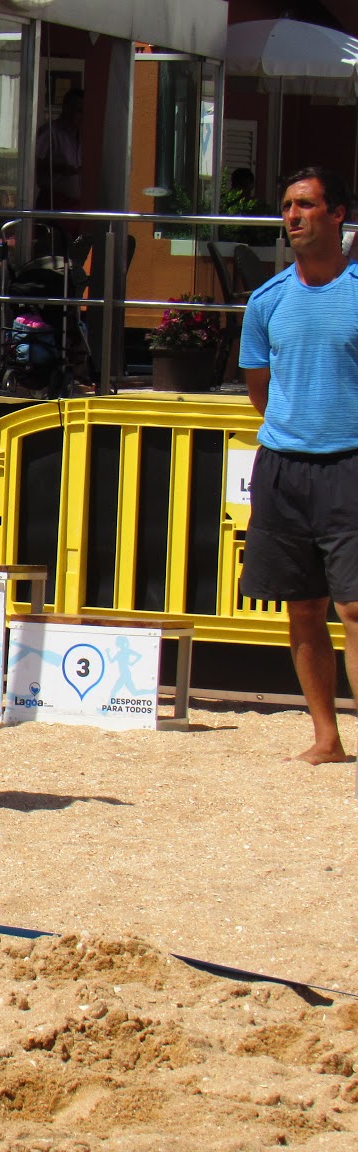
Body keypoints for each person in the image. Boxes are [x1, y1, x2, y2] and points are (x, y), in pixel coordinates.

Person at [238, 167, 358, 767]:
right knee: (303, 607)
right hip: (284, 467)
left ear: (337, 214)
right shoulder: (268, 300)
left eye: (306, 205)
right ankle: (326, 738)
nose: (293, 216)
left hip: (351, 464)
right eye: (287, 206)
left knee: (355, 608)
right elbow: (259, 390)